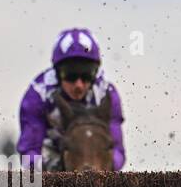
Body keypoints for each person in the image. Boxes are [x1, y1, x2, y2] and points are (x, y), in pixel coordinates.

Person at [17, 28, 125, 171]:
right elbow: (28, 152)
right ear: (57, 72)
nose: (79, 85)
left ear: (95, 73)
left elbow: (118, 151)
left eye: (87, 74)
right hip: (51, 152)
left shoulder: (107, 94)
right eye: (70, 74)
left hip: (94, 154)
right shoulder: (37, 95)